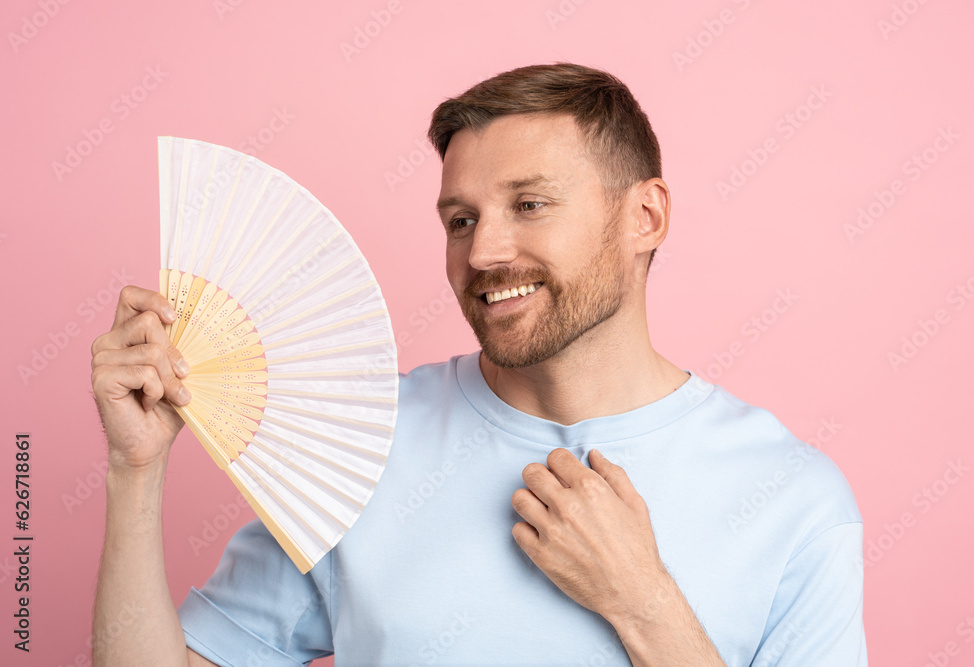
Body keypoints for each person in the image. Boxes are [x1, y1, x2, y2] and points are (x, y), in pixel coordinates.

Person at [91, 63, 866, 666]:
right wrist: (135, 471)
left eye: (530, 204)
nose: (484, 253)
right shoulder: (360, 444)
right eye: (461, 219)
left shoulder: (793, 498)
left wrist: (645, 604)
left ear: (645, 216)